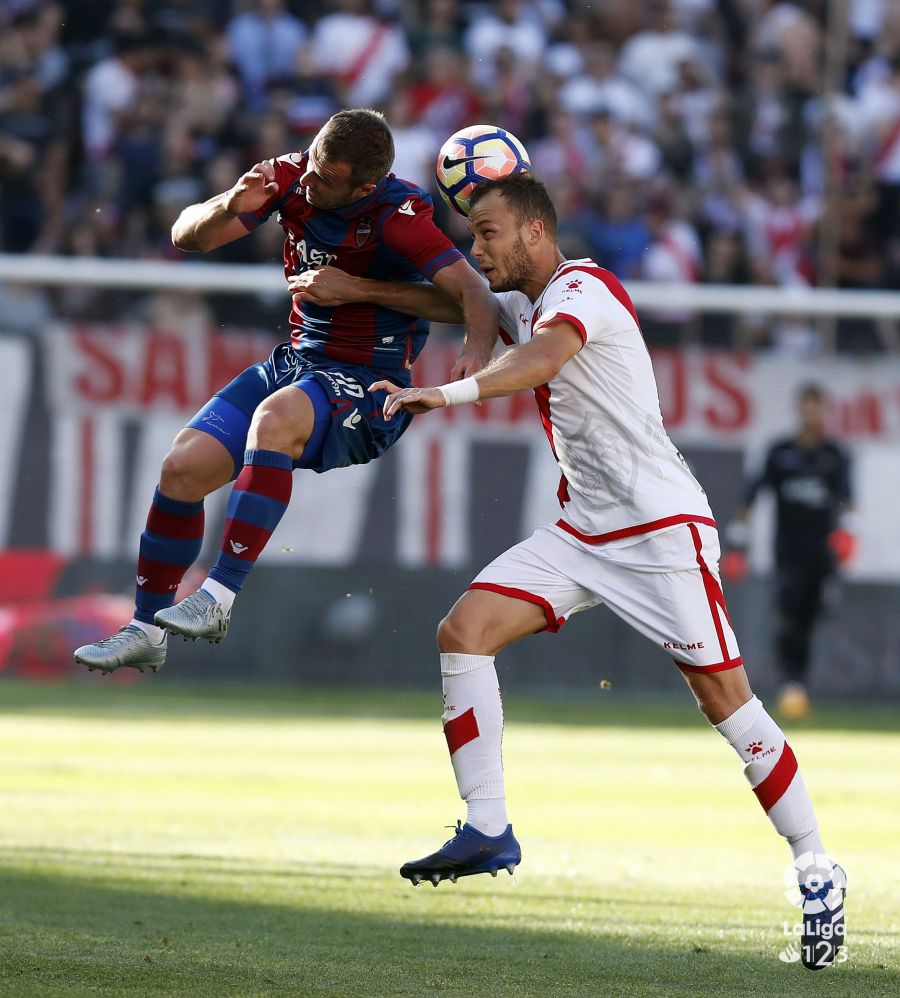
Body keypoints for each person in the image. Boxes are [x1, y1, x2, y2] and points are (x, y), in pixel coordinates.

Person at [314, 174, 845, 971]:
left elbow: (543, 357)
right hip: (582, 528)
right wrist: (356, 286)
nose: (475, 247)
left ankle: (816, 867)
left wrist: (445, 392)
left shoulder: (584, 287)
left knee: (727, 704)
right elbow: (460, 303)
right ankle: (488, 826)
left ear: (533, 232)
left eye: (488, 232)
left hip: (662, 531)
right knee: (463, 632)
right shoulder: (522, 296)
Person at [74, 108, 498, 674]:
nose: (308, 181)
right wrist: (229, 203)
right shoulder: (287, 177)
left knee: (273, 419)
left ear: (364, 187)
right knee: (183, 466)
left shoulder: (398, 216)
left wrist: (359, 290)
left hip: (369, 382)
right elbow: (186, 236)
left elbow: (474, 296)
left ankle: (218, 596)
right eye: (312, 163)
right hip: (296, 363)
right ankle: (146, 627)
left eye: (324, 178)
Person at [721, 385, 856, 721]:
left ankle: (800, 682)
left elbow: (847, 499)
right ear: (800, 410)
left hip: (822, 556)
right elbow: (752, 496)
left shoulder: (835, 455)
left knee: (810, 617)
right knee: (788, 611)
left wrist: (848, 534)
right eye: (807, 408)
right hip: (788, 552)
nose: (812, 415)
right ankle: (791, 684)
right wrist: (737, 542)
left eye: (818, 408)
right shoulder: (780, 452)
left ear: (825, 411)